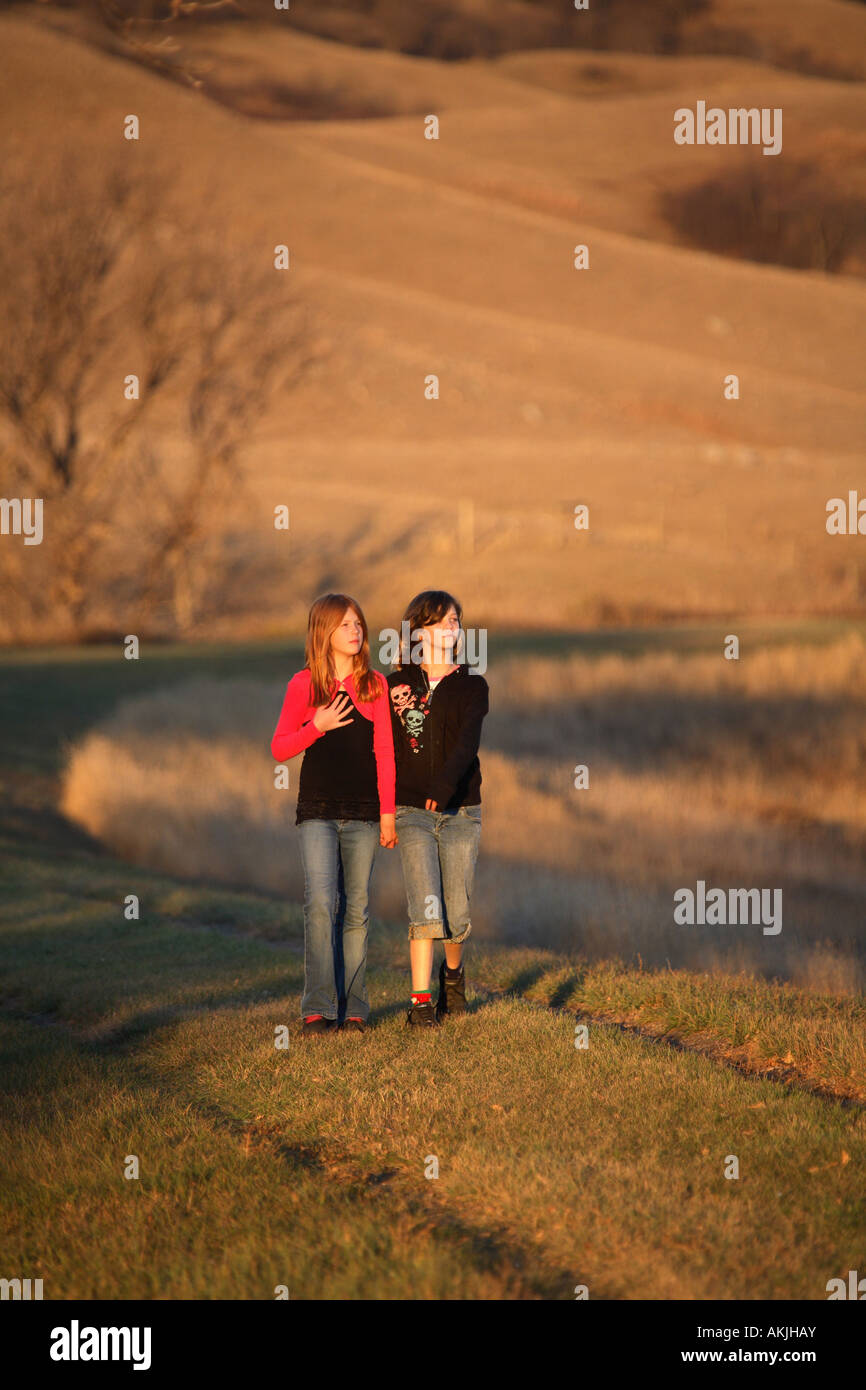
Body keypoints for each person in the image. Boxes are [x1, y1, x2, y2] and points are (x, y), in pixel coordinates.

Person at [270, 594, 397, 1036]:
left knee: (357, 910)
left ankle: (355, 1008)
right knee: (322, 904)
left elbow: (385, 752)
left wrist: (386, 815)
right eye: (344, 624)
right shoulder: (304, 685)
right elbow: (280, 747)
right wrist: (316, 726)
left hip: (364, 815)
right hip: (318, 812)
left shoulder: (375, 685)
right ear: (324, 632)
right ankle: (318, 1008)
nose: (355, 630)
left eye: (358, 622)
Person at [387, 590, 489, 1027]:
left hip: (460, 812)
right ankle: (421, 1004)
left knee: (455, 911)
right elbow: (381, 746)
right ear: (420, 629)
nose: (453, 628)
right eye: (444, 620)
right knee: (426, 905)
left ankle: (453, 976)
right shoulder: (395, 686)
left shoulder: (473, 686)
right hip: (410, 811)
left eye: (456, 621)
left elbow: (467, 744)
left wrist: (445, 786)